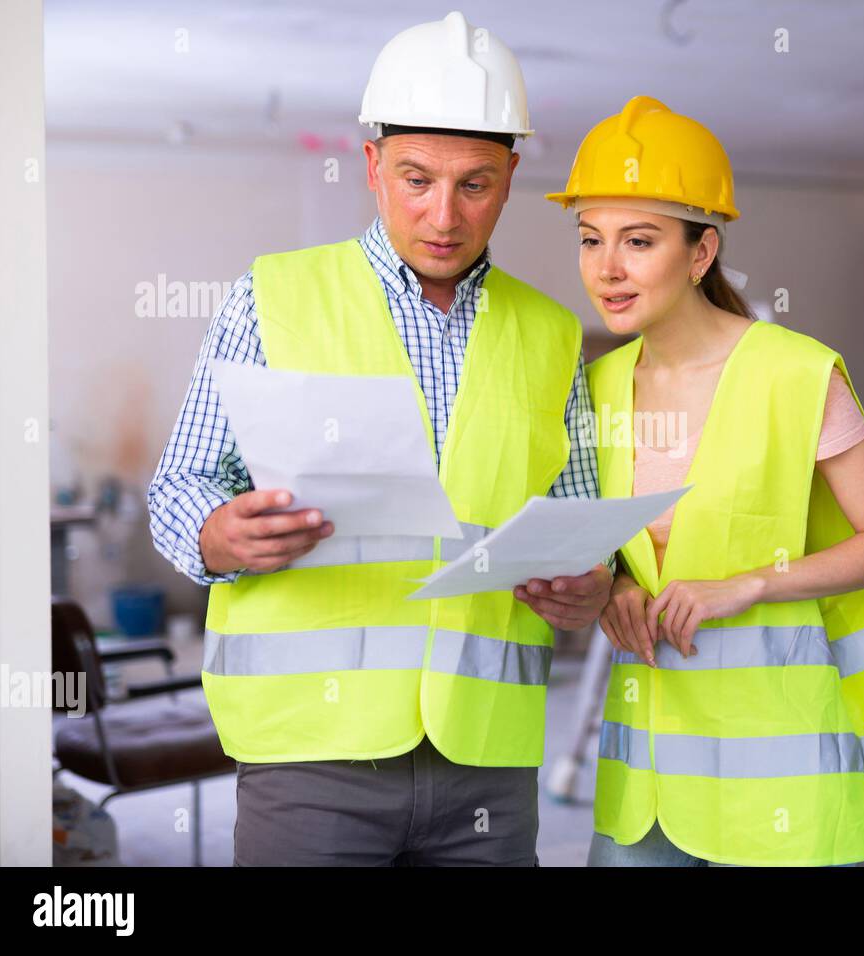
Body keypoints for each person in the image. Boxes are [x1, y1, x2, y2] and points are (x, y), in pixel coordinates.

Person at [146, 11, 613, 866]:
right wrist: (220, 534)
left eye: (475, 183)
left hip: (489, 758)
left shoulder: (551, 334)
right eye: (416, 178)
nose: (444, 213)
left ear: (511, 178)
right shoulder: (274, 294)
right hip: (310, 758)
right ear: (372, 167)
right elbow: (180, 486)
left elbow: (580, 516)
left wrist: (587, 587)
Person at [546, 96, 864, 866]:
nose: (607, 268)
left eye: (638, 241)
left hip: (776, 774)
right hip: (646, 763)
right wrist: (616, 586)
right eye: (591, 240)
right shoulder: (596, 387)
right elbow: (613, 544)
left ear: (700, 252)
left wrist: (745, 585)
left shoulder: (795, 373)